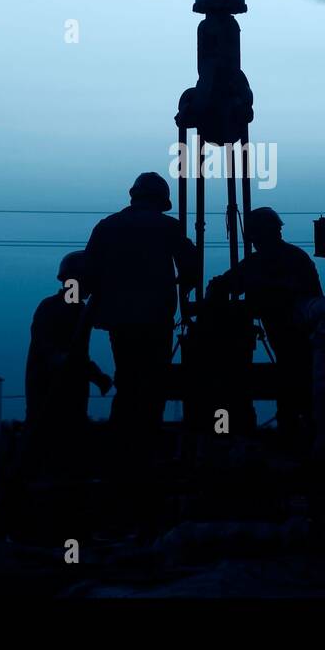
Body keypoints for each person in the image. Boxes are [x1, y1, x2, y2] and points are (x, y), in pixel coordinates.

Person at [84, 172, 198, 464]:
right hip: (156, 319)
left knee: (128, 380)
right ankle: (146, 449)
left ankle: (123, 450)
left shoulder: (107, 226)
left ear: (134, 195)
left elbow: (86, 277)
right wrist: (182, 291)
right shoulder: (168, 227)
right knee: (152, 383)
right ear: (161, 200)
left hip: (119, 321)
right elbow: (191, 268)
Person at [207, 207, 323, 438]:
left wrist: (216, 299)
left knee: (295, 382)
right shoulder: (286, 259)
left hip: (299, 334)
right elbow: (226, 283)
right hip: (296, 334)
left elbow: (226, 284)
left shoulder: (266, 262)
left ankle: (297, 432)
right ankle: (299, 432)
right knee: (295, 383)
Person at [23, 251, 112, 476]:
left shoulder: (79, 311)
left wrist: (96, 376)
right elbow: (45, 345)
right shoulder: (50, 308)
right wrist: (61, 362)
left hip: (71, 392)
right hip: (47, 390)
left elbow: (79, 354)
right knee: (43, 441)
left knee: (70, 445)